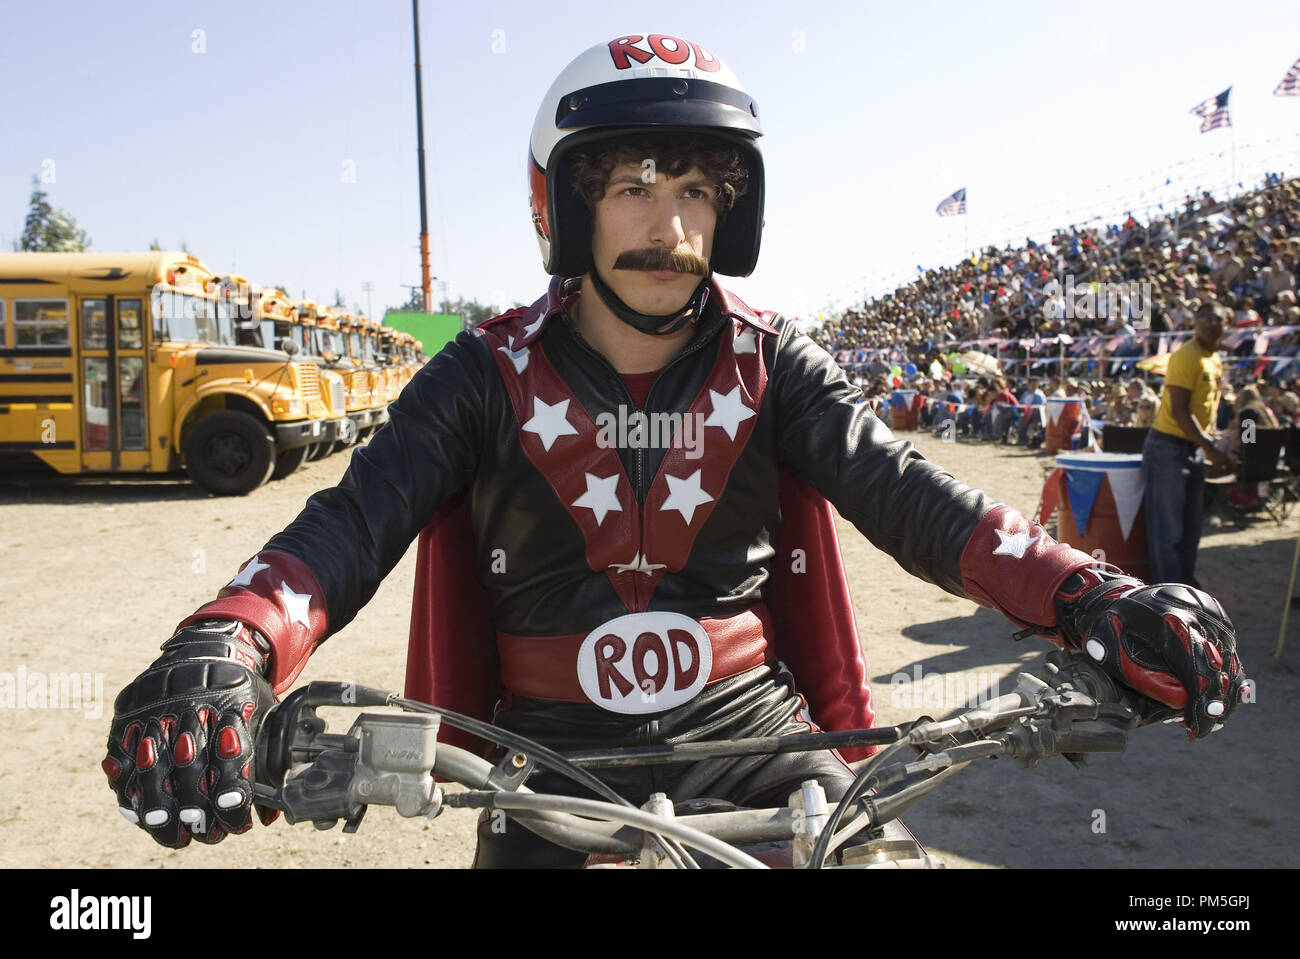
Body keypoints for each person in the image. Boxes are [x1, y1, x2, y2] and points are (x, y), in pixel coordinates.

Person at [104, 35, 1245, 865]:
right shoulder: (479, 370)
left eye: (698, 189)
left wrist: (1088, 592)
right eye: (635, 187)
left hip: (763, 738)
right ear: (566, 206)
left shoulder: (776, 357)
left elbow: (911, 494)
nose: (674, 226)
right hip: (539, 759)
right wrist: (228, 641)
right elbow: (347, 526)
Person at [1142, 303, 1237, 587]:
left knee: (1190, 527)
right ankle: (1169, 593)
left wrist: (1209, 441)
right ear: (1194, 322)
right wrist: (1210, 448)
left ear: (1225, 324)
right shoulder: (1186, 356)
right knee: (1168, 530)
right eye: (1203, 317)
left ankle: (1185, 586)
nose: (1208, 323)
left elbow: (1203, 406)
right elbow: (1179, 411)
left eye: (1215, 318)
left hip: (1191, 448)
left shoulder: (1213, 358)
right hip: (1168, 447)